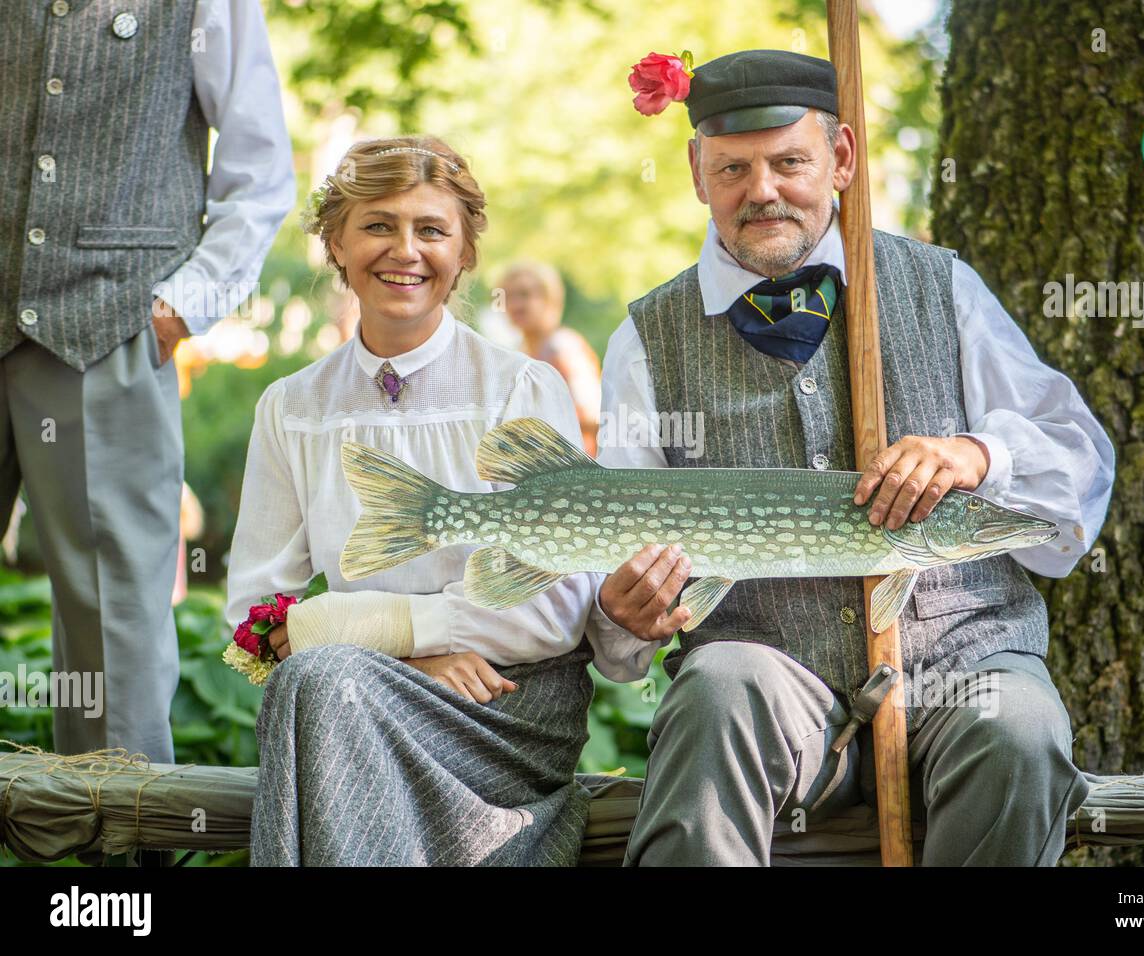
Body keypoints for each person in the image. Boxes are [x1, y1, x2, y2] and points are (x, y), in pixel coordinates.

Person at [596, 50, 1117, 865]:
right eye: (732, 169)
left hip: (962, 661)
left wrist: (977, 454)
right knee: (715, 692)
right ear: (698, 175)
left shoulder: (939, 285)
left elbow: (1079, 461)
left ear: (841, 159)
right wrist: (623, 615)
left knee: (1018, 732)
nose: (761, 192)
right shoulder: (647, 339)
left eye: (789, 163)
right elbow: (620, 552)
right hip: (768, 682)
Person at [226, 135, 654, 866]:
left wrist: (379, 630)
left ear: (464, 255)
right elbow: (253, 618)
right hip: (357, 691)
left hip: (509, 706)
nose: (405, 250)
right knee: (320, 684)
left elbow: (553, 607)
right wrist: (415, 655)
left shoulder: (521, 388)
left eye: (431, 230)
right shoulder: (291, 406)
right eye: (377, 225)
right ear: (335, 241)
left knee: (325, 683)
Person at [0, 0, 294, 764]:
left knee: (114, 621)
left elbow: (260, 166)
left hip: (109, 320)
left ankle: (121, 858)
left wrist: (181, 305)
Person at [499, 260, 603, 456]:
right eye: (508, 296)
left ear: (549, 299)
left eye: (525, 294)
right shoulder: (519, 354)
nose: (515, 304)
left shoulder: (562, 346)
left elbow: (594, 416)